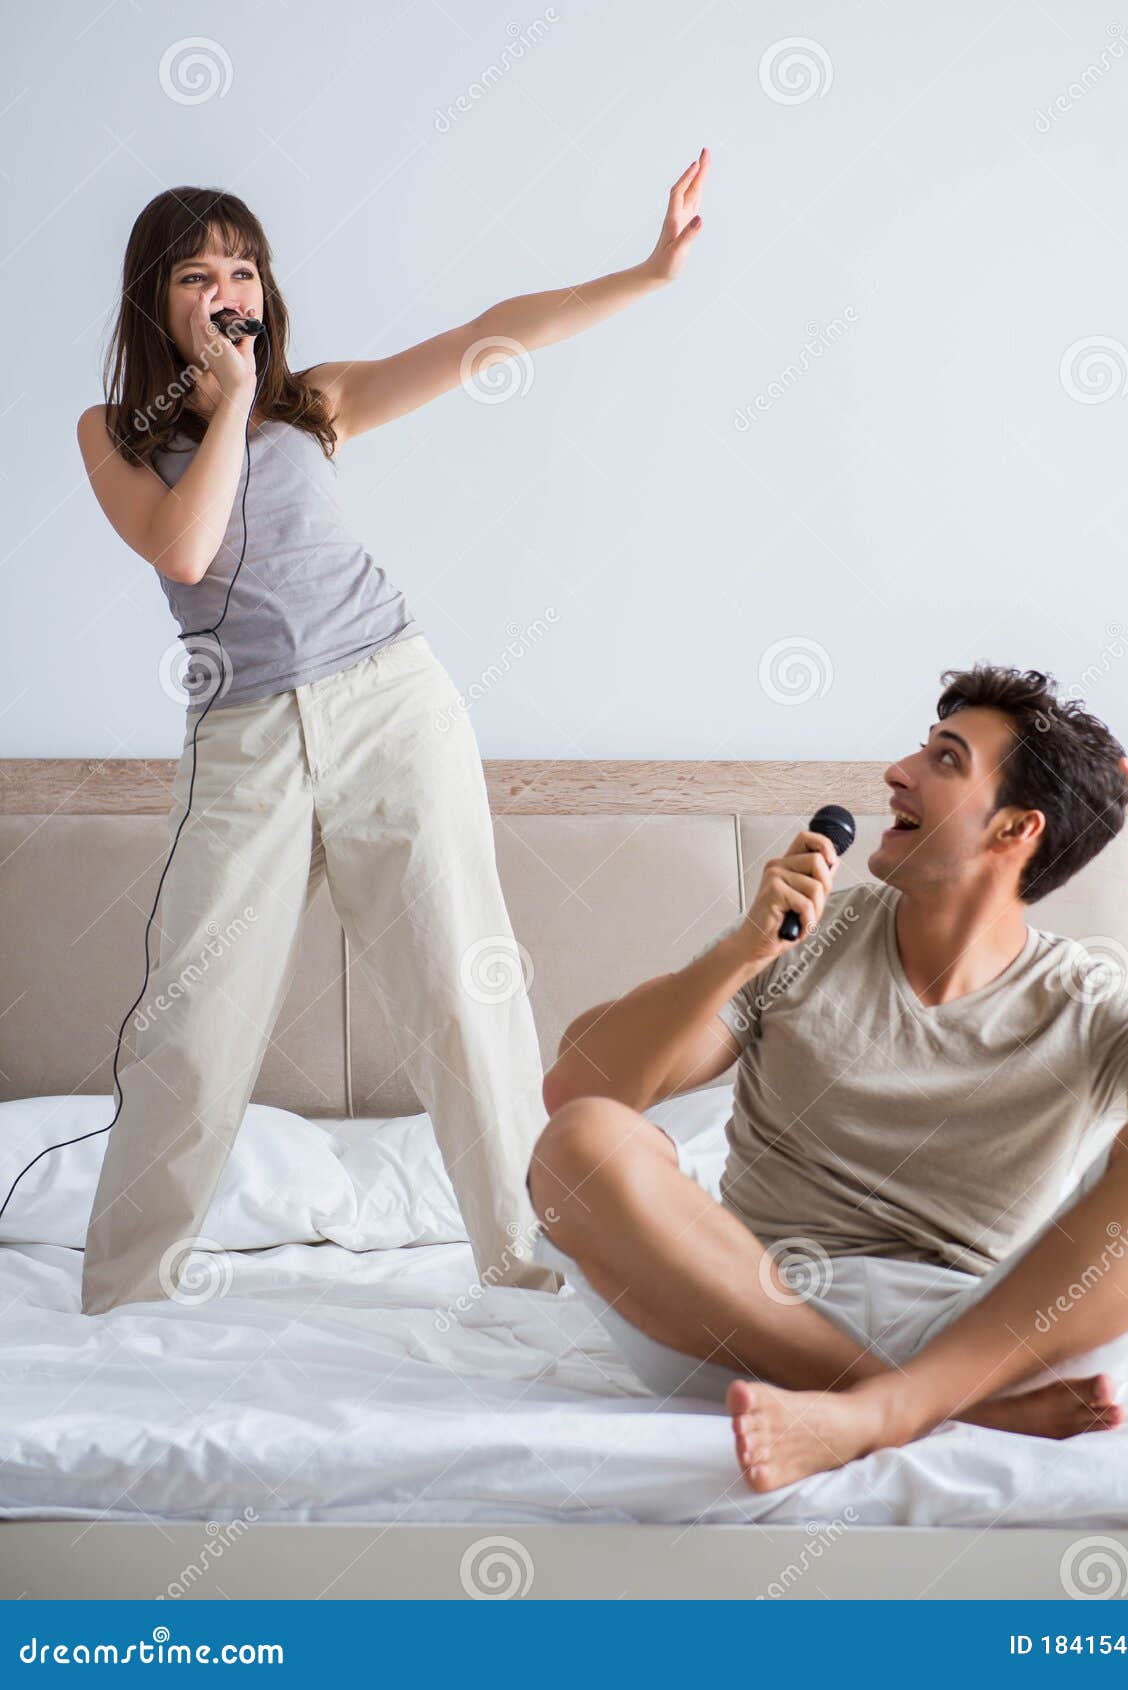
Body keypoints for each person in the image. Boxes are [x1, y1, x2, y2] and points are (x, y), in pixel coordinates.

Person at [76, 155, 709, 1315]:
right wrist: (221, 406)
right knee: (194, 1028)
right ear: (154, 302)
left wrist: (647, 273)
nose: (230, 289)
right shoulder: (114, 434)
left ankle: (529, 1264)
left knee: (464, 994)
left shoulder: (315, 401)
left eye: (246, 269)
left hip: (391, 704)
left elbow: (484, 337)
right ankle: (122, 1296)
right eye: (197, 275)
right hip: (246, 740)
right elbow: (183, 548)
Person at [529, 664, 1128, 1492]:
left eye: (946, 760)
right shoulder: (803, 942)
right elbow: (580, 1089)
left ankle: (884, 1406)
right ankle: (924, 1406)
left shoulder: (1083, 1001)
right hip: (742, 1319)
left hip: (976, 1330)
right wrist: (740, 951)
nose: (898, 772)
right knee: (583, 1140)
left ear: (1014, 831)